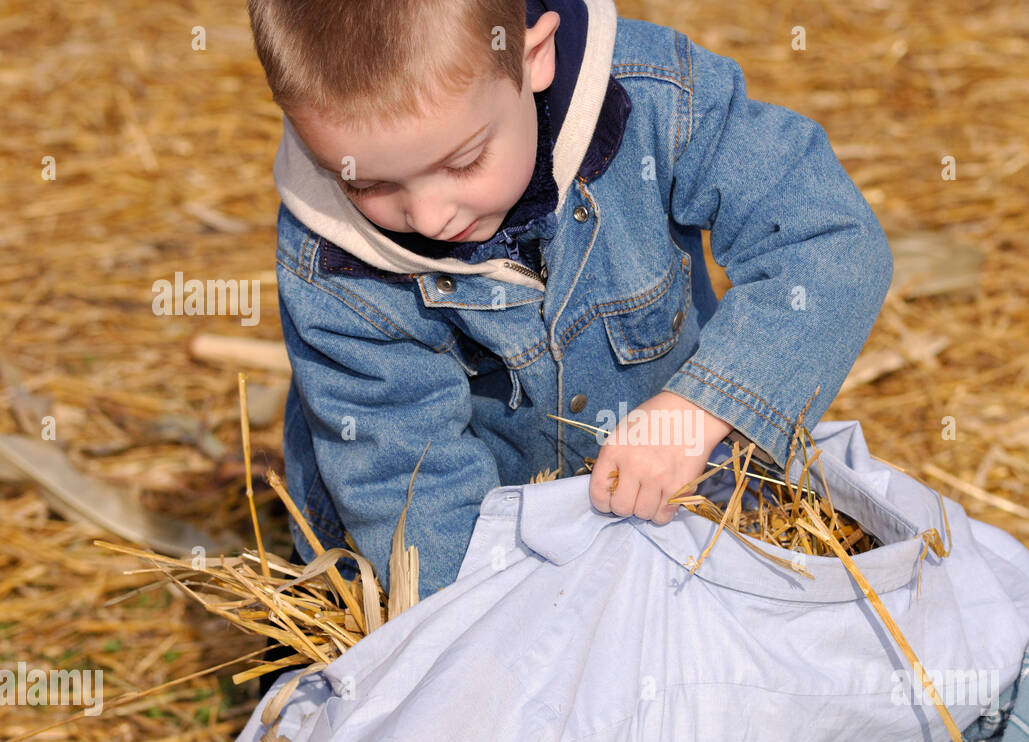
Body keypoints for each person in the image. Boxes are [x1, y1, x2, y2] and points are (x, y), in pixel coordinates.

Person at [246, 0, 893, 602]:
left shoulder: (656, 98)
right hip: (470, 554)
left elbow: (828, 239)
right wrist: (497, 641)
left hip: (677, 501)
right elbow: (411, 489)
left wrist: (701, 408)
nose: (430, 215)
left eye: (464, 162)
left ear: (534, 58)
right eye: (371, 183)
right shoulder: (330, 255)